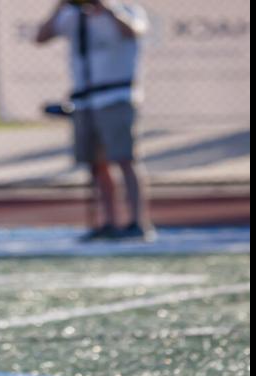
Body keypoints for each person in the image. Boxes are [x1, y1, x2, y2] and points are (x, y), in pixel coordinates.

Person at [35, 0, 154, 242]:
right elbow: (40, 37)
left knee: (124, 158)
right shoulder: (73, 16)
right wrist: (61, 6)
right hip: (85, 101)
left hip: (116, 96)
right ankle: (108, 222)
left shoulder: (125, 10)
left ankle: (137, 222)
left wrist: (106, 8)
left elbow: (132, 32)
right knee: (97, 164)